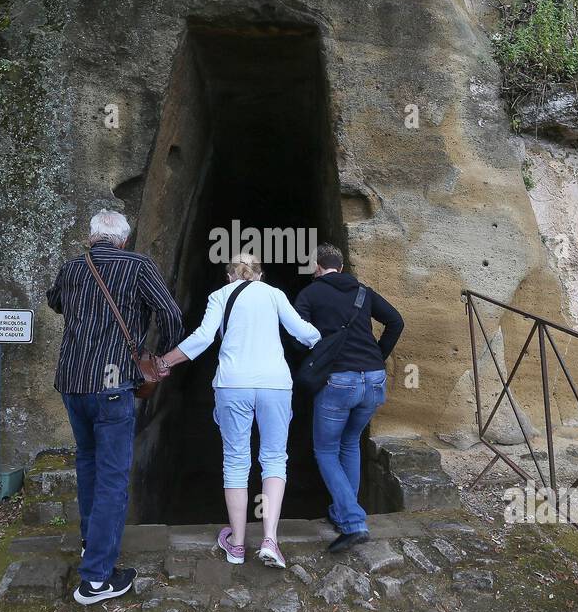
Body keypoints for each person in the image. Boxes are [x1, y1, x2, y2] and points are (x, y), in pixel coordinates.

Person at [47, 209, 182, 604]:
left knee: (87, 463)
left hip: (72, 382)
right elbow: (170, 312)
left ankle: (93, 544)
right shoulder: (137, 265)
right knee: (112, 478)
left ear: (92, 238)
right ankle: (96, 580)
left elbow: (55, 302)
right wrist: (159, 356)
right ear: (123, 240)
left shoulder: (72, 267)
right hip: (112, 385)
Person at [159, 252, 320, 568]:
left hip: (233, 384)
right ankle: (270, 539)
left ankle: (236, 544)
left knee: (236, 459)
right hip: (275, 384)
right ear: (259, 275)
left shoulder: (219, 295)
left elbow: (203, 338)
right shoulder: (274, 294)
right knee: (274, 458)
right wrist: (321, 336)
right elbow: (304, 333)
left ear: (230, 276)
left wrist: (166, 361)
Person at [295, 243, 404, 552]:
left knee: (326, 450)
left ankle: (354, 521)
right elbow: (396, 321)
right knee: (350, 443)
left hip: (338, 381)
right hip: (372, 380)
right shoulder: (363, 292)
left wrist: (316, 359)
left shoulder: (310, 294)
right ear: (340, 267)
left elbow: (297, 336)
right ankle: (344, 513)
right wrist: (377, 357)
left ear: (317, 267)